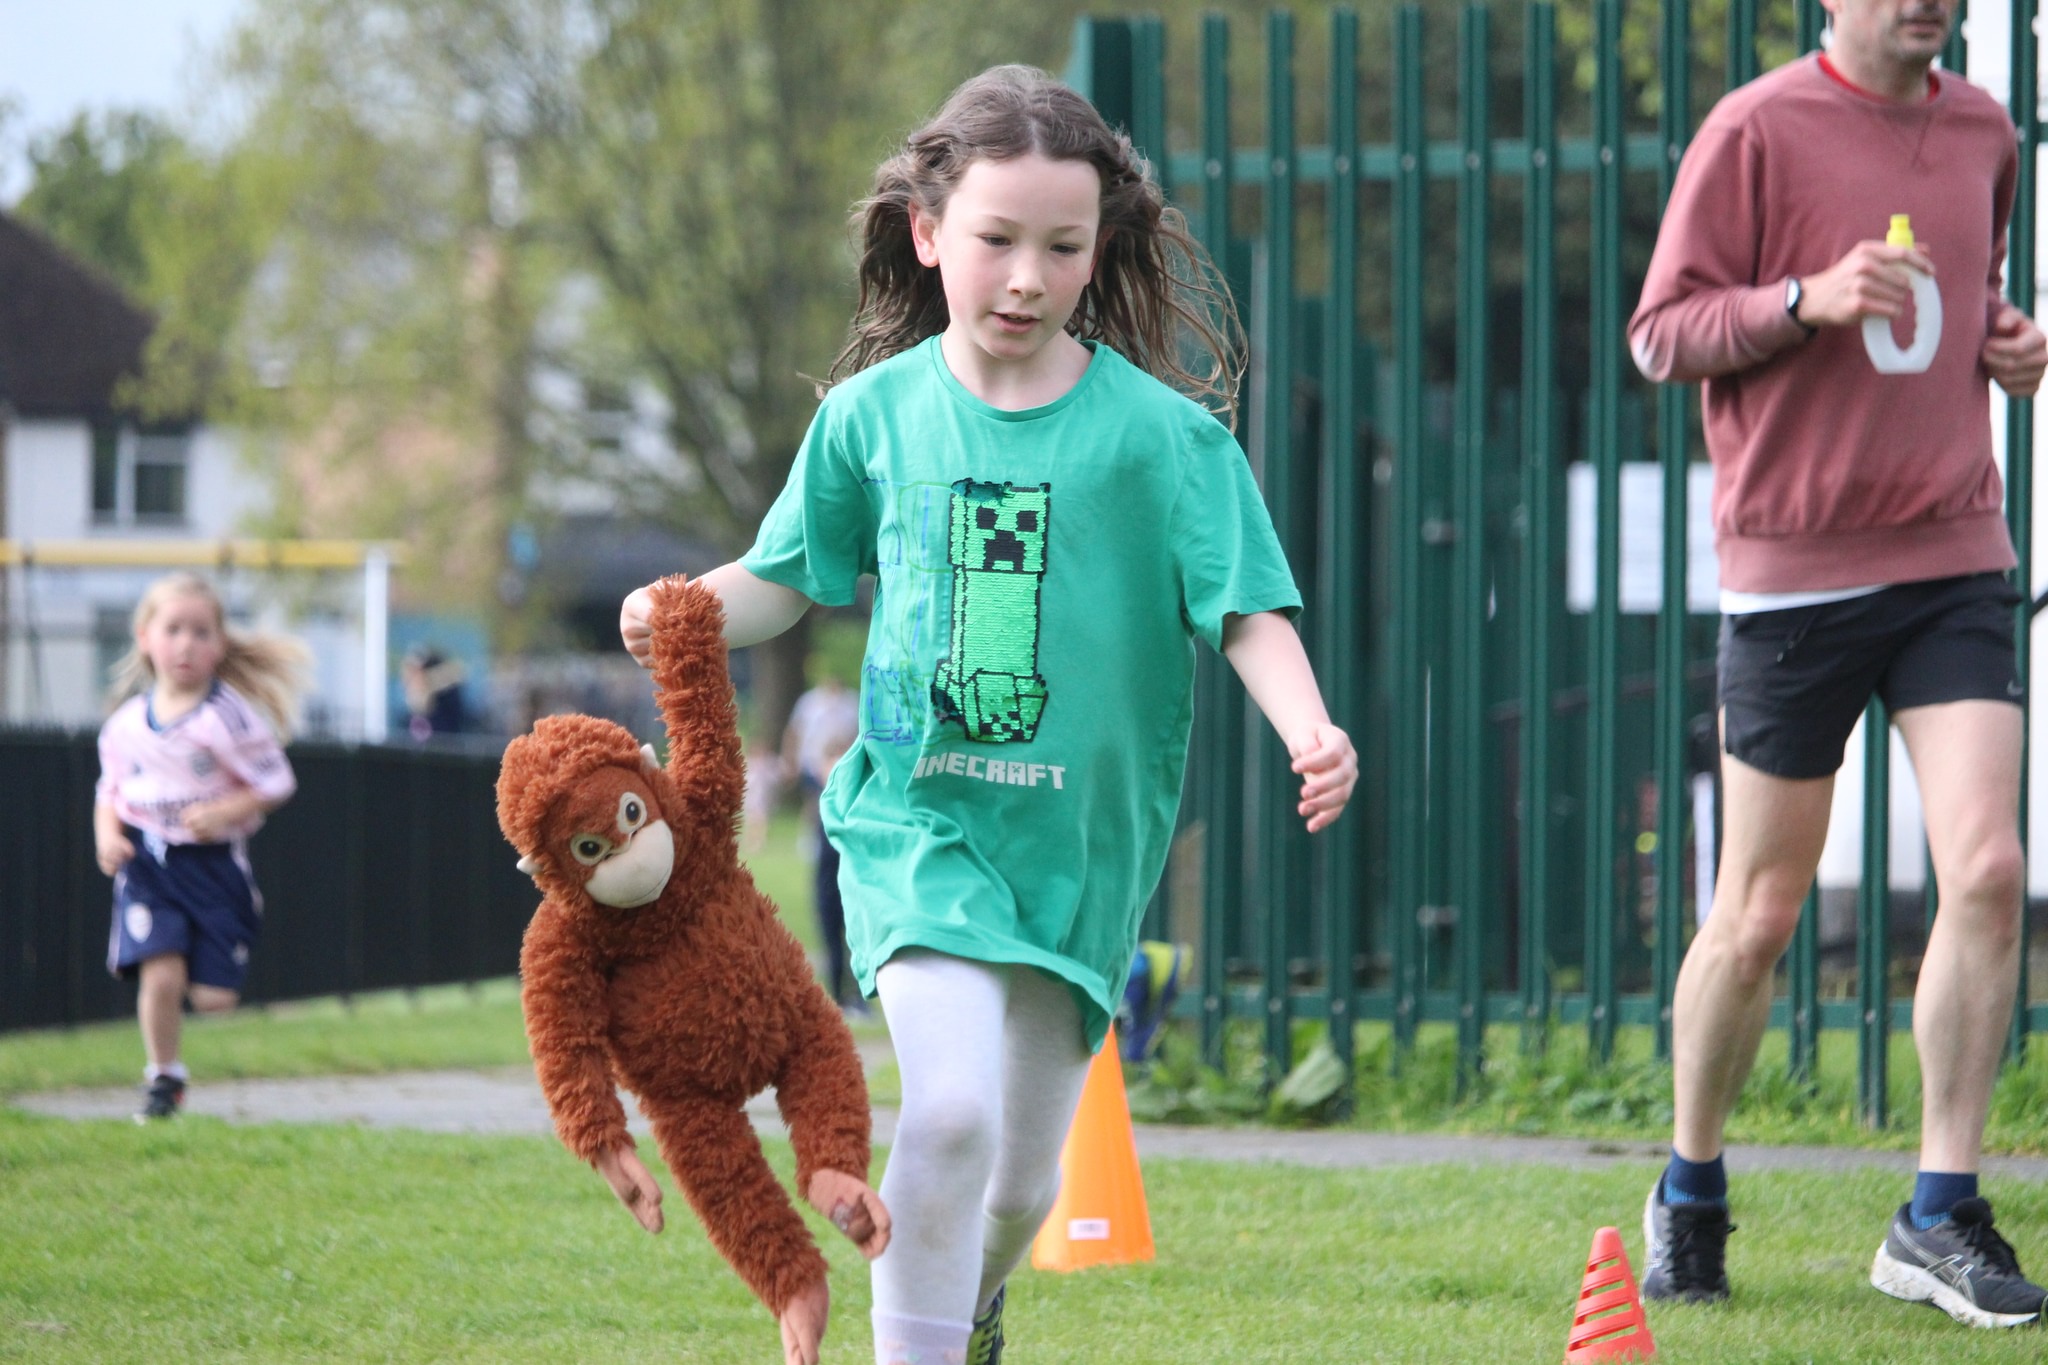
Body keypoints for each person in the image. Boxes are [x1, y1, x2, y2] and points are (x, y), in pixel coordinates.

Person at [622, 65, 1356, 1365]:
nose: (1025, 275)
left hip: (1079, 855)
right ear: (927, 232)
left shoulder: (1164, 443)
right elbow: (787, 578)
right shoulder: (871, 417)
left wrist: (1309, 724)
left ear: (1099, 251)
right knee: (948, 1117)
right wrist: (685, 609)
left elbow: (1245, 607)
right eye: (995, 240)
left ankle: (969, 1300)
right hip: (916, 826)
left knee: (1018, 1183)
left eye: (1061, 248)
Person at [1629, 0, 2048, 1329]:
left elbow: (1957, 307)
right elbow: (1663, 333)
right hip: (1795, 572)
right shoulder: (1755, 129)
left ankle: (1938, 1211)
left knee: (1988, 867)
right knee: (1757, 913)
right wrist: (1803, 301)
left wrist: (2006, 338)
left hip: (1954, 554)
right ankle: (1690, 1186)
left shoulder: (1986, 129)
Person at [93, 573, 310, 1122]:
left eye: (200, 632)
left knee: (215, 1001)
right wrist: (107, 837)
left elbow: (276, 782)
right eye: (173, 630)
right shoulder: (123, 726)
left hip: (211, 868)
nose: (185, 644)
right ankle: (164, 1078)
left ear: (219, 645)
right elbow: (109, 791)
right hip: (148, 864)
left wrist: (224, 812)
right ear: (145, 636)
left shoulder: (225, 716)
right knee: (160, 976)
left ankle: (208, 940)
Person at [783, 674, 861, 1009]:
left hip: (855, 888)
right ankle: (839, 993)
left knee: (854, 934)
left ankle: (856, 996)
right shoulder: (821, 797)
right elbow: (796, 734)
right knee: (831, 928)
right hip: (830, 887)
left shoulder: (856, 799)